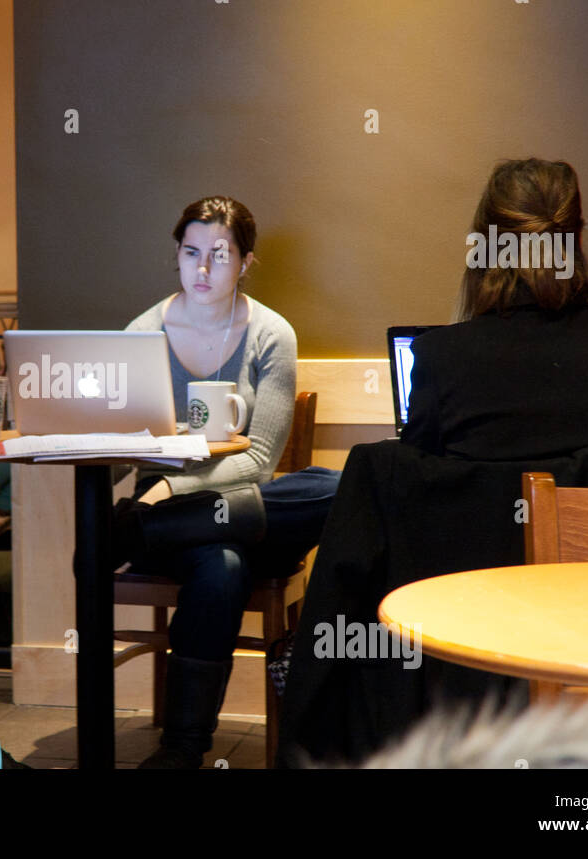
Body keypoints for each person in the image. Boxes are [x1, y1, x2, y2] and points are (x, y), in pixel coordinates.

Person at [118, 196, 340, 768]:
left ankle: (146, 527)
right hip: (190, 539)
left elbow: (262, 461)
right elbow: (117, 450)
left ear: (245, 261)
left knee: (334, 484)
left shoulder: (272, 334)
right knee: (223, 565)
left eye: (219, 255)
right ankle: (183, 752)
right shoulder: (142, 333)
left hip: (189, 509)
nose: (202, 268)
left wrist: (169, 494)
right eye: (191, 253)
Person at [401, 158, 588, 484]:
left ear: (484, 247)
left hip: (478, 536)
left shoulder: (438, 355)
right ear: (578, 241)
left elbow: (416, 490)